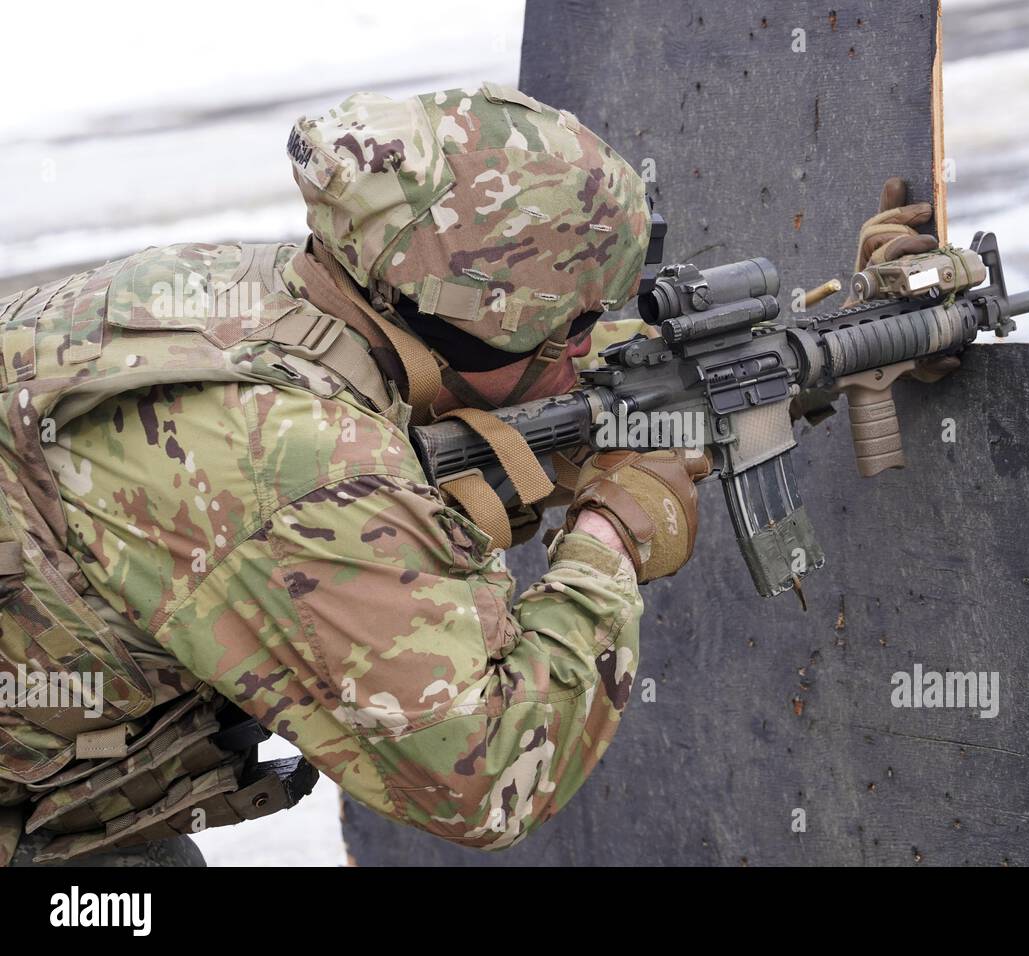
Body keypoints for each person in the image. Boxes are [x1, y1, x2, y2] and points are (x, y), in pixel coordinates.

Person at [0, 83, 707, 865]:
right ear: (479, 322)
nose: (585, 347)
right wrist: (613, 534)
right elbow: (489, 776)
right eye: (572, 325)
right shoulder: (306, 470)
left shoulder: (259, 285)